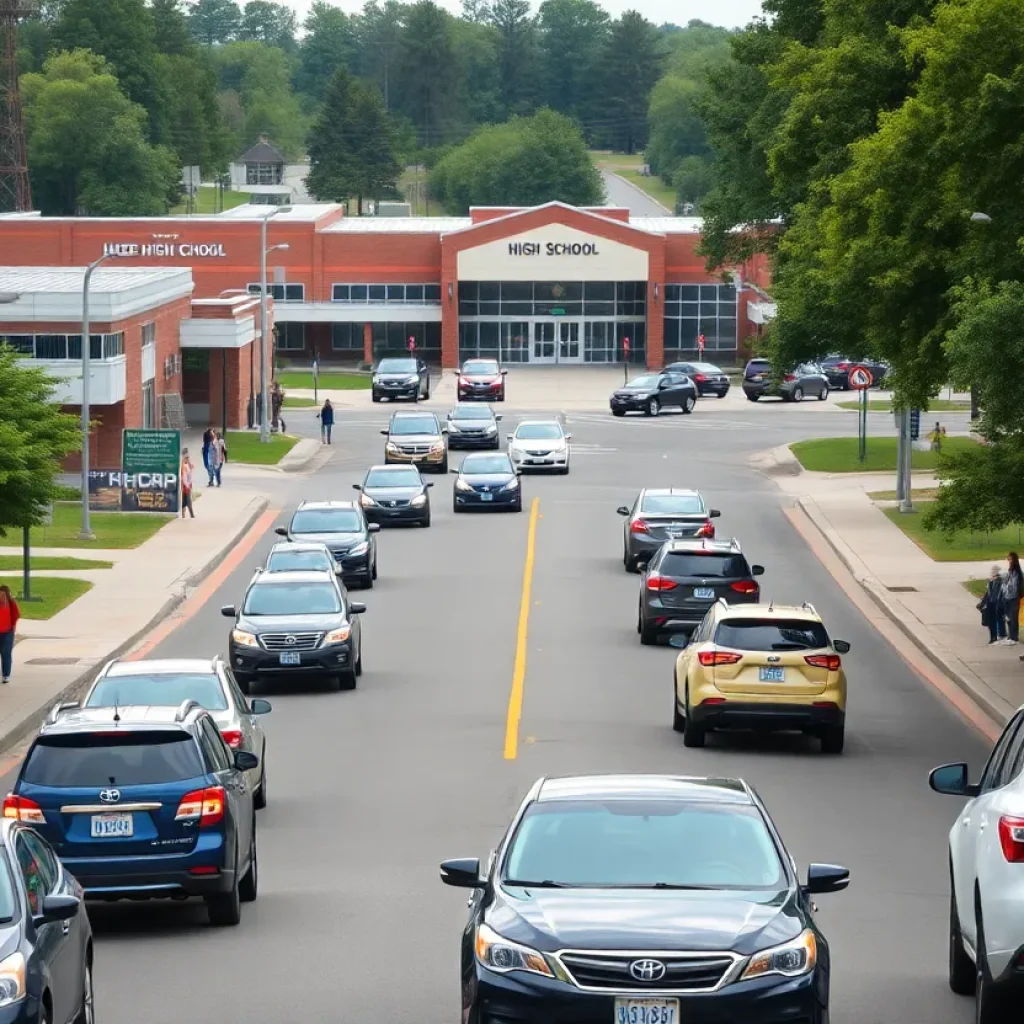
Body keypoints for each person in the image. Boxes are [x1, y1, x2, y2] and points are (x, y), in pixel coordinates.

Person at [979, 565, 1005, 645]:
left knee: (995, 620)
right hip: (991, 603)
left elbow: (996, 594)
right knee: (991, 621)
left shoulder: (999, 581)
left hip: (996, 603)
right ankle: (994, 636)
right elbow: (989, 593)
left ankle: (998, 636)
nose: (992, 572)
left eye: (994, 570)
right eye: (992, 570)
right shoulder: (992, 580)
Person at [1001, 551, 1023, 645]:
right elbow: (1005, 582)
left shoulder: (1017, 572)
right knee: (1008, 618)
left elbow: (1013, 586)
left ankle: (1014, 637)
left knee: (1013, 618)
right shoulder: (1010, 571)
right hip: (1007, 597)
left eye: (1010, 559)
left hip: (1013, 598)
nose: (1008, 561)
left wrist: (1006, 587)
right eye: (1008, 559)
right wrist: (1004, 588)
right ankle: (1010, 636)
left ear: (1014, 560)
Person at [0, 585, 20, 685]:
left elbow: (16, 615)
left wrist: (13, 627)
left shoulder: (11, 603)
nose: (2, 596)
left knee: (6, 653)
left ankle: (6, 675)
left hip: (8, 631)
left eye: (4, 594)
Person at [180, 449, 195, 519]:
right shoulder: (183, 466)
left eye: (188, 457)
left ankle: (185, 514)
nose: (188, 459)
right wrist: (186, 485)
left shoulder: (188, 465)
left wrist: (188, 462)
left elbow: (191, 468)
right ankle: (189, 514)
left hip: (188, 485)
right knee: (187, 500)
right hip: (185, 486)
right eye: (186, 457)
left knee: (186, 500)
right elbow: (184, 477)